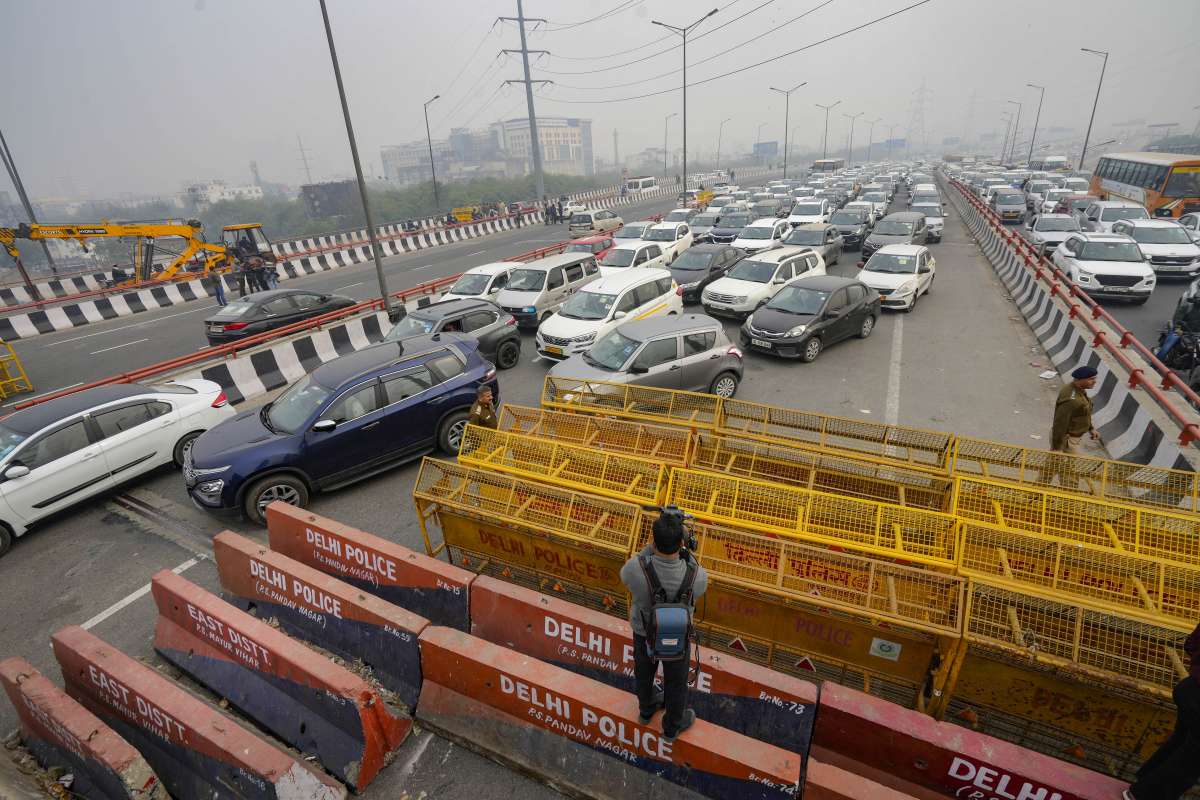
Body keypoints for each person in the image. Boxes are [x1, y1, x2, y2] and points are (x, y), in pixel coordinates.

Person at [619, 509, 708, 742]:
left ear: (653, 541)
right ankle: (672, 727)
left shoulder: (635, 569)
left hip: (644, 633)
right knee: (677, 682)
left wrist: (651, 546)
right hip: (678, 636)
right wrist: (685, 544)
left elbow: (628, 572)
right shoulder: (697, 576)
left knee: (644, 673)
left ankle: (647, 710)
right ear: (681, 542)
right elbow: (695, 571)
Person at [1124, 621, 1200, 799]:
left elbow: (1191, 644)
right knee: (1193, 755)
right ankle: (1145, 794)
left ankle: (1144, 780)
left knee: (1183, 740)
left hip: (1190, 689)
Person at [1045, 365, 1101, 487]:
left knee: (1051, 468)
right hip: (1066, 440)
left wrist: (1091, 428)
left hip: (1067, 438)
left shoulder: (1079, 391)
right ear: (1080, 379)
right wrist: (1057, 447)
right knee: (1070, 472)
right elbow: (1060, 423)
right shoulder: (1072, 399)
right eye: (1091, 379)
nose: (1094, 381)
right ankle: (1069, 498)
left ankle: (1035, 492)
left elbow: (1082, 414)